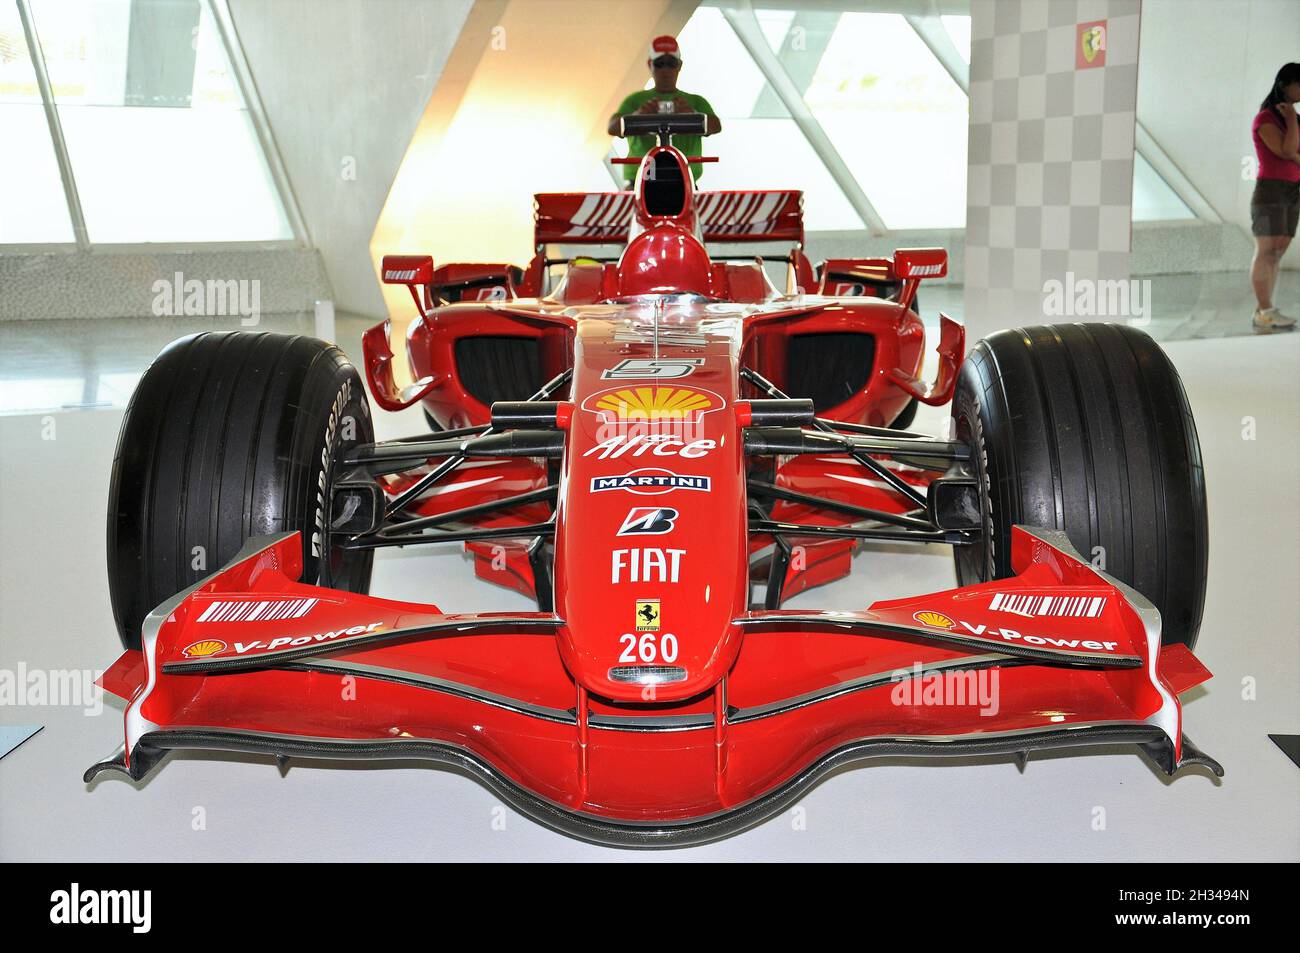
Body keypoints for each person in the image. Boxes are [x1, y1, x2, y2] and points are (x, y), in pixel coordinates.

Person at [607, 35, 722, 187]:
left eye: (671, 63)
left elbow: (715, 126)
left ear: (679, 65)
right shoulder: (634, 101)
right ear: (650, 64)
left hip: (686, 185)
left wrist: (692, 114)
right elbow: (613, 127)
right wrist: (638, 115)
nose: (665, 70)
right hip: (640, 184)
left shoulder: (696, 101)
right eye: (660, 63)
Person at [1249, 62, 1300, 332]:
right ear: (1285, 85)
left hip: (1292, 190)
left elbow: (1295, 154)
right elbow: (1285, 150)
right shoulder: (1266, 118)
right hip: (1269, 189)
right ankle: (1265, 311)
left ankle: (1265, 309)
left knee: (1278, 252)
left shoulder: (1293, 118)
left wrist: (1293, 120)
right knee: (1266, 251)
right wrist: (1291, 120)